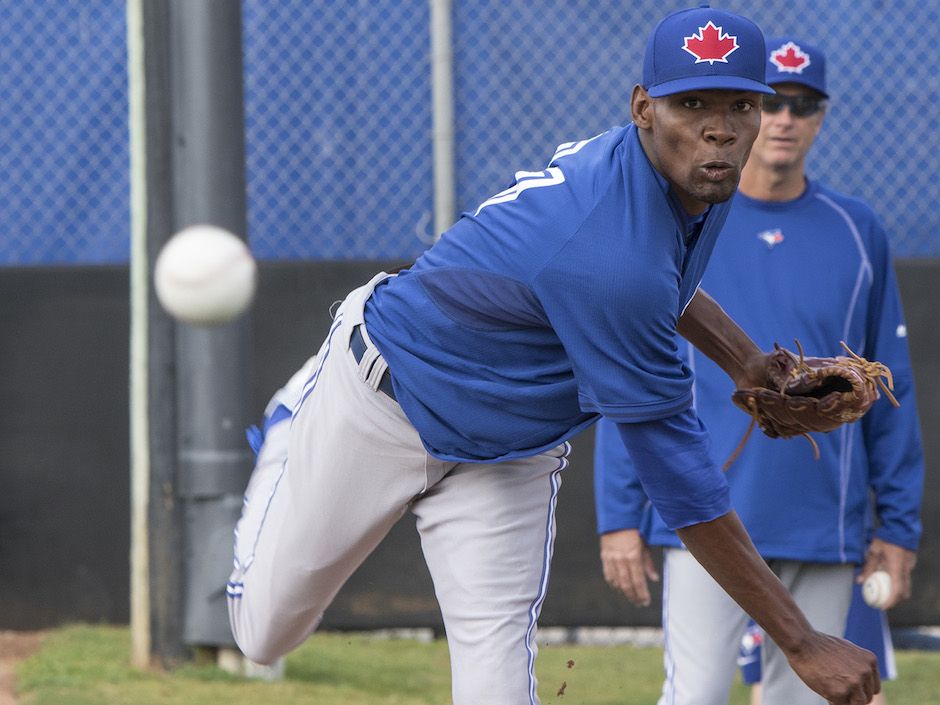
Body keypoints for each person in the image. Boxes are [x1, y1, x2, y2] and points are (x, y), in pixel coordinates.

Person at [228, 9, 881, 704]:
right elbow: (681, 478)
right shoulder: (610, 246)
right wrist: (801, 639)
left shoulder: (693, 173)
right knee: (265, 633)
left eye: (740, 105)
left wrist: (745, 362)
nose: (719, 126)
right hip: (386, 398)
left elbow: (665, 282)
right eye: (691, 103)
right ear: (643, 109)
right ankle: (290, 426)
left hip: (510, 450)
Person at [594, 34, 922, 705]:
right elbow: (629, 368)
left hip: (820, 515)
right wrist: (618, 515)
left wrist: (897, 526)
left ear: (821, 117)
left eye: (804, 104)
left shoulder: (858, 230)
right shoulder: (683, 217)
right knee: (699, 695)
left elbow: (892, 387)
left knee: (811, 696)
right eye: (771, 102)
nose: (785, 119)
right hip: (700, 507)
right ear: (749, 112)